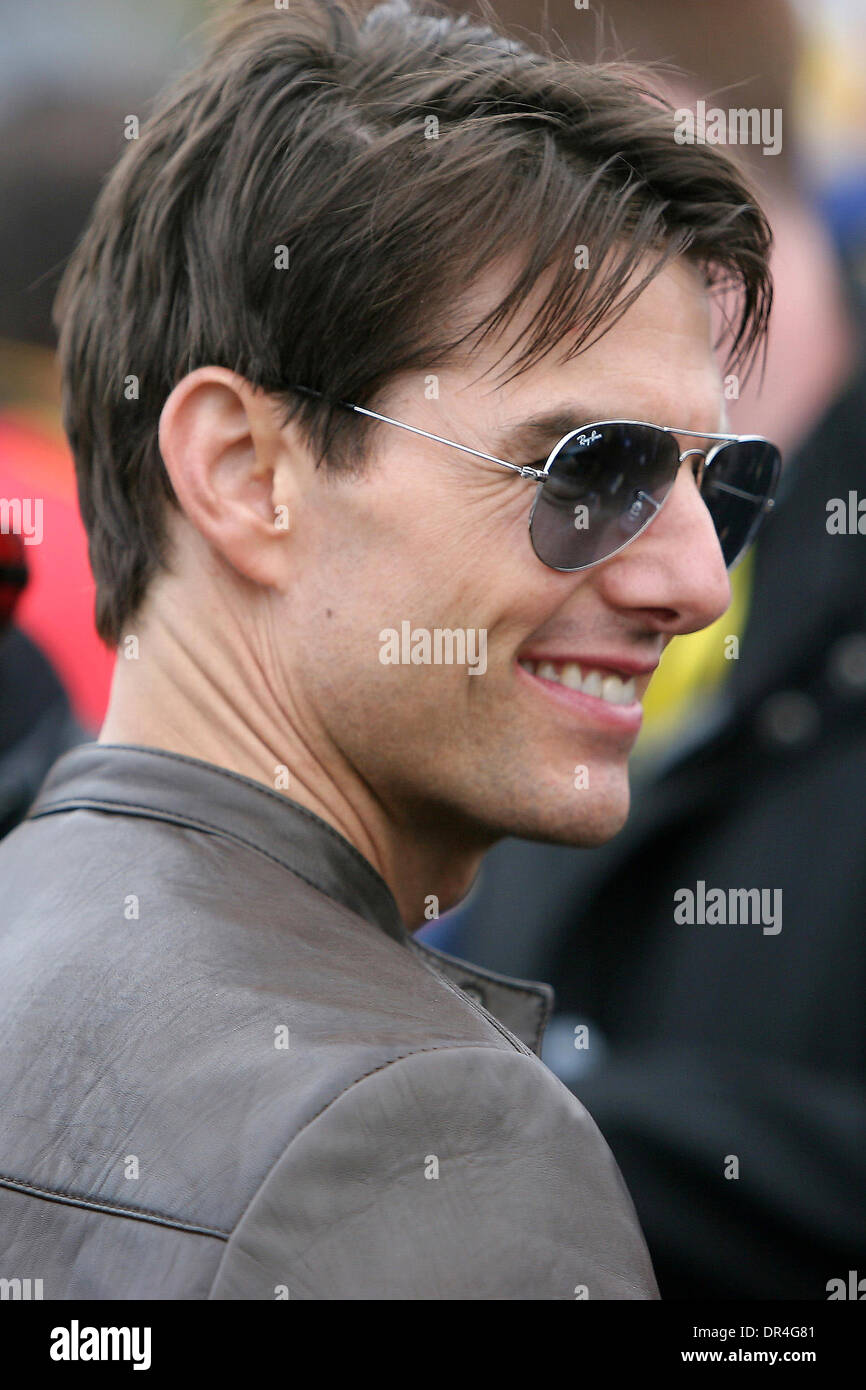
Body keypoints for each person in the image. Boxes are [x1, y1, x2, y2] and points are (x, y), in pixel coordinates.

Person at [0, 0, 778, 1300]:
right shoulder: (428, 1143)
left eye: (724, 482)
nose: (696, 582)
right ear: (245, 471)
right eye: (591, 467)